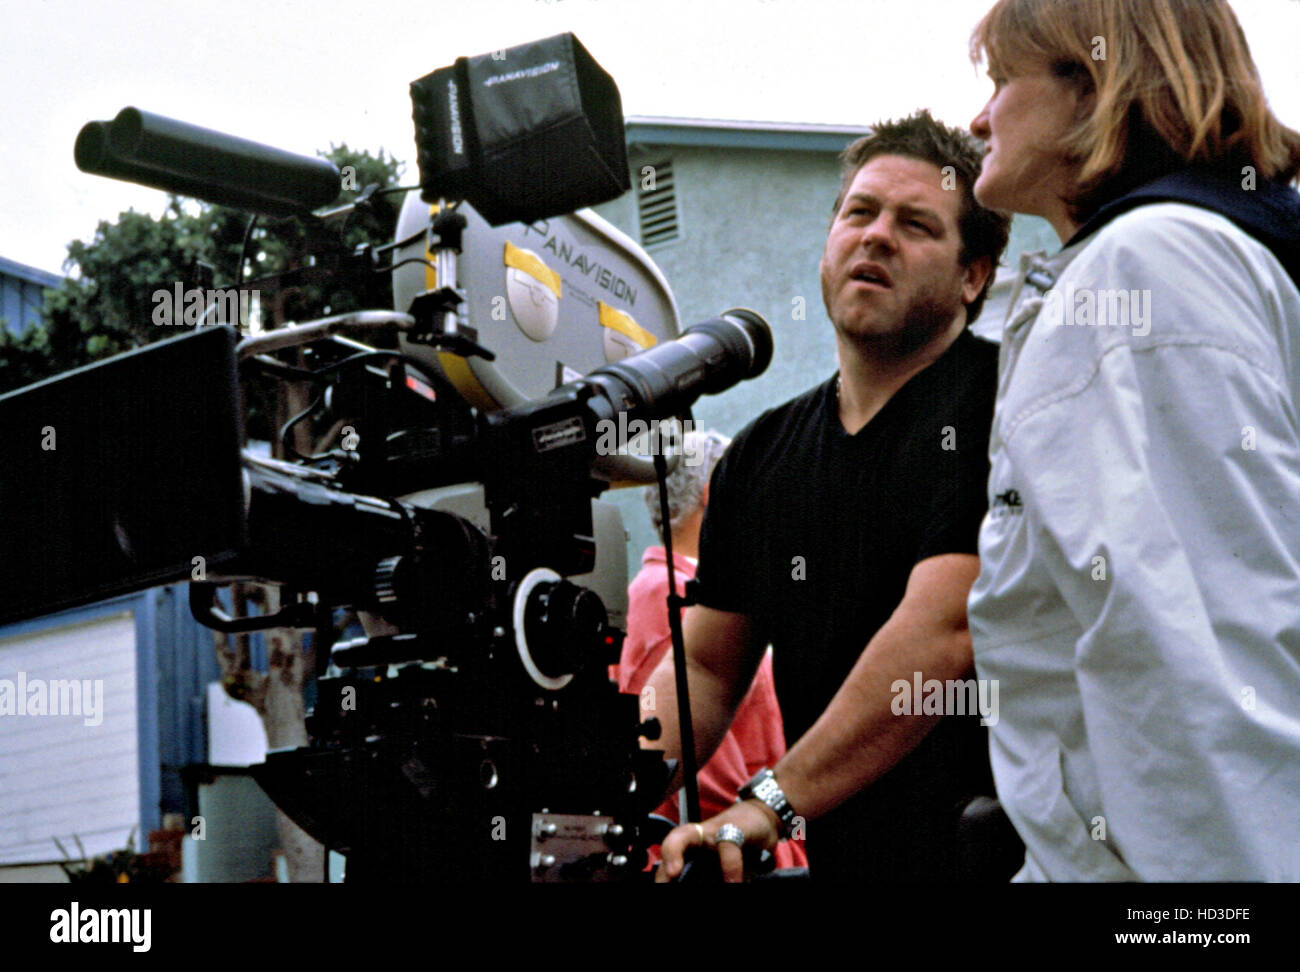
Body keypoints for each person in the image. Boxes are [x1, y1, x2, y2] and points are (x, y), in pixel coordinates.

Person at [966, 0, 1300, 880]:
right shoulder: (1213, 254)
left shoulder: (1145, 270)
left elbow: (1191, 659)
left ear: (1093, 82)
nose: (977, 118)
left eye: (1002, 82)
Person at [652, 110, 1015, 882]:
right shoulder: (759, 454)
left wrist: (770, 804)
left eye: (916, 224)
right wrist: (598, 785)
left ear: (973, 275)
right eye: (860, 212)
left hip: (1001, 861)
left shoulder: (1005, 401)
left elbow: (943, 636)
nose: (877, 235)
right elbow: (709, 670)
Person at [617, 428, 807, 871]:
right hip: (732, 854)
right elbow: (701, 781)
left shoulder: (698, 596)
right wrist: (766, 829)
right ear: (713, 494)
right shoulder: (666, 593)